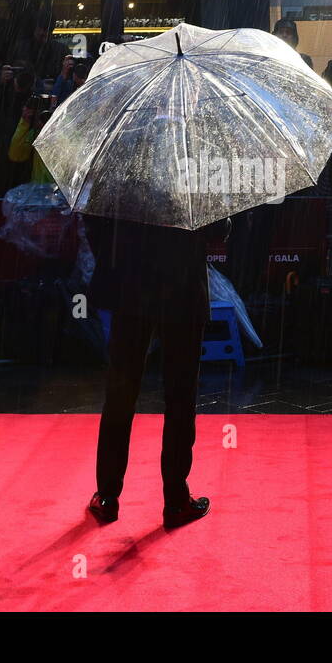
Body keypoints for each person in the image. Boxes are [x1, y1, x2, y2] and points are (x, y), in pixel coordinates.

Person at [84, 211, 230, 529]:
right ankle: (176, 500)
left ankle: (107, 497)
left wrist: (120, 260)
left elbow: (94, 222)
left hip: (131, 288)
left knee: (121, 392)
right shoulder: (195, 171)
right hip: (184, 290)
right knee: (181, 396)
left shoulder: (124, 169)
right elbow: (219, 229)